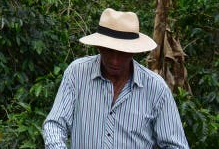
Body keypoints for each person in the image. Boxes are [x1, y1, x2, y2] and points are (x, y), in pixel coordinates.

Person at [43, 8, 189, 148]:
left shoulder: (155, 87)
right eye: (108, 51)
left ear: (134, 51)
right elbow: (55, 124)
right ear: (98, 47)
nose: (115, 61)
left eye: (123, 53)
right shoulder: (77, 73)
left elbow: (175, 145)